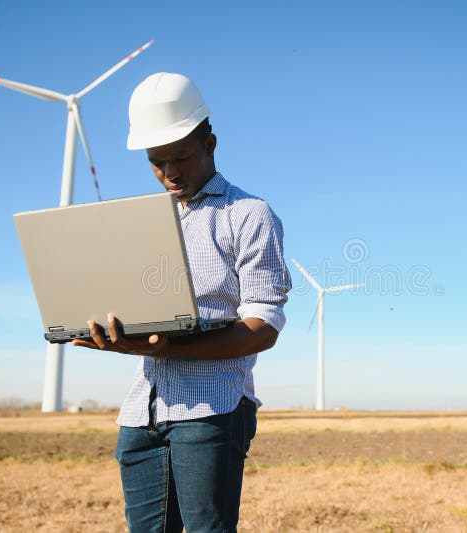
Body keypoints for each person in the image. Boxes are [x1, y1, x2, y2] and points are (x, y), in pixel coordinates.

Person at [71, 72, 291, 532]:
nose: (170, 172)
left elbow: (264, 326)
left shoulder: (248, 214)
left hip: (212, 411)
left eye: (182, 157)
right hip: (141, 412)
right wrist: (114, 333)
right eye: (157, 162)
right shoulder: (139, 224)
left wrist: (164, 348)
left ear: (211, 143)